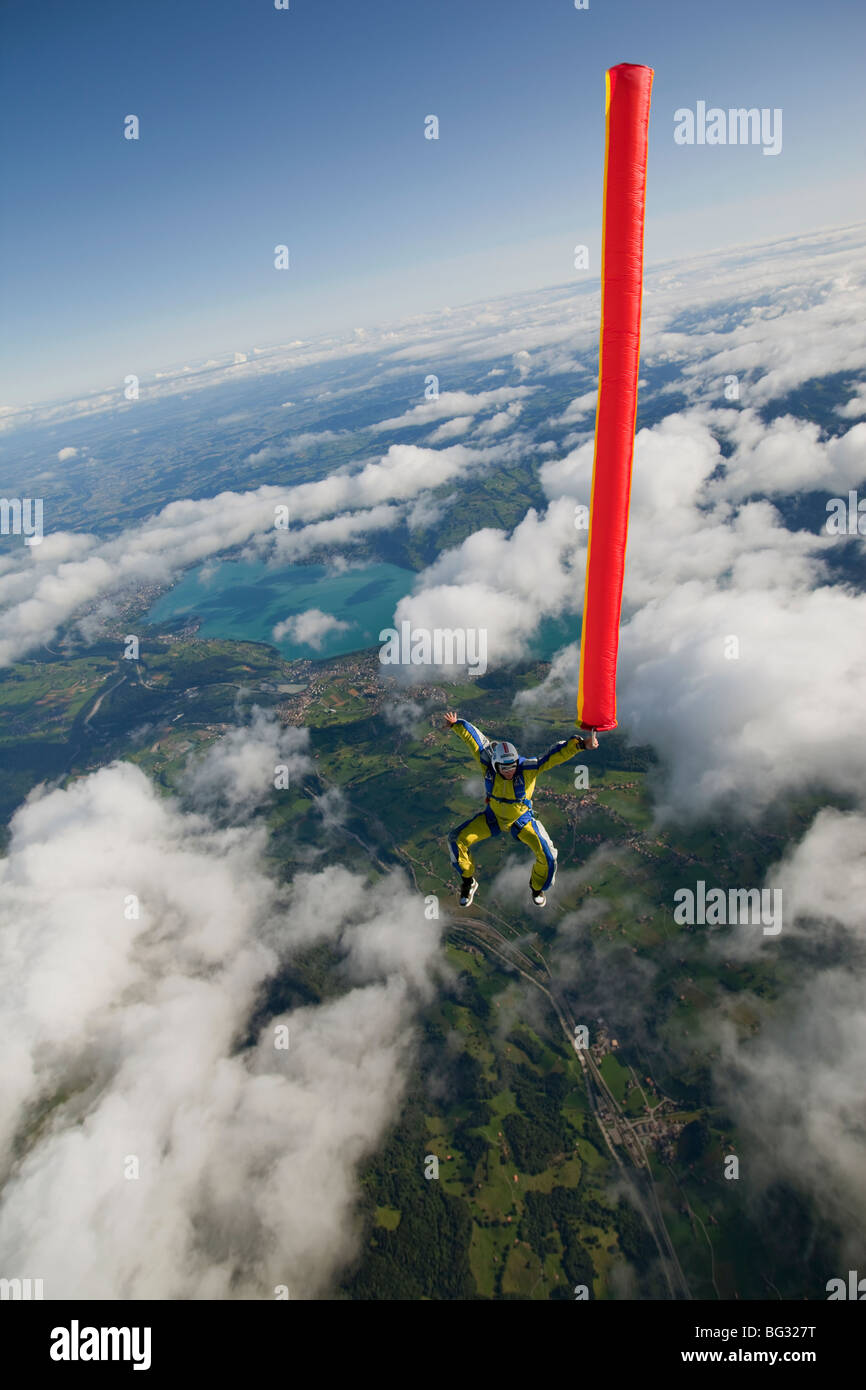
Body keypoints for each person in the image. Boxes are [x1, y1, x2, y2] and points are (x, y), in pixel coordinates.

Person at [444, 711, 598, 908]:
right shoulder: (487, 766)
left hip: (522, 820)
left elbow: (554, 755)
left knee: (548, 855)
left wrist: (582, 744)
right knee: (455, 840)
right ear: (495, 765)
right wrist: (456, 724)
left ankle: (537, 887)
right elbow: (475, 741)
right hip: (493, 818)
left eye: (512, 766)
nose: (510, 771)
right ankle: (468, 881)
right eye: (504, 768)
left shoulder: (527, 770)